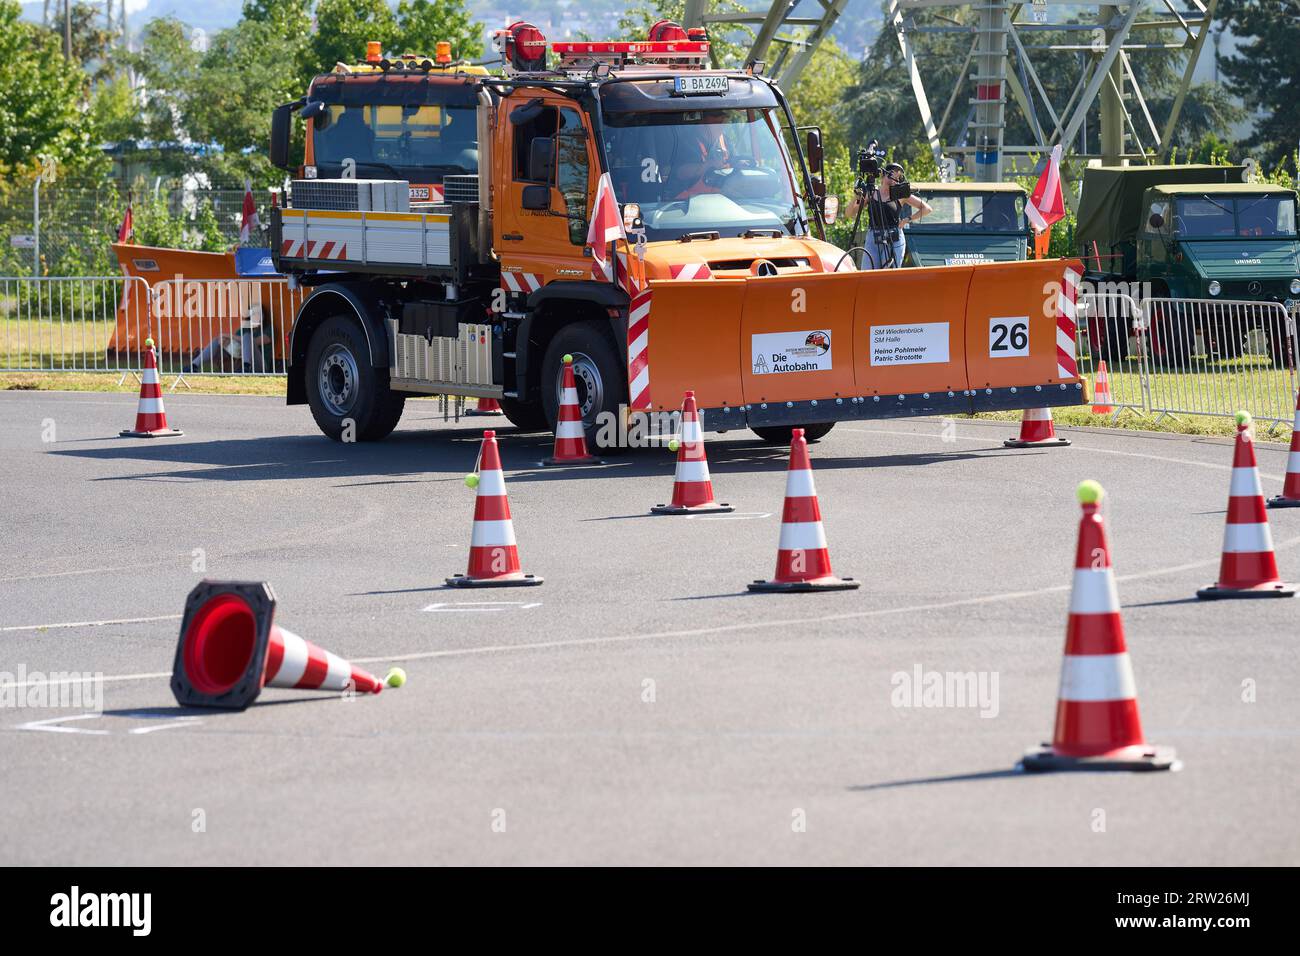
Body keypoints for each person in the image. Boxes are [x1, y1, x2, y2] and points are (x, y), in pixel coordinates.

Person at [848, 162, 932, 269]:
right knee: (868, 272)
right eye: (892, 176)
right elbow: (850, 213)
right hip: (873, 236)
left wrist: (907, 219)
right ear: (883, 175)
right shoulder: (872, 193)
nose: (893, 180)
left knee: (888, 272)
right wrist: (856, 196)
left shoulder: (900, 195)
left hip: (894, 237)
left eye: (897, 178)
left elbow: (927, 209)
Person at [667, 112, 732, 200]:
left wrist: (739, 164)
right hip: (690, 200)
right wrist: (708, 165)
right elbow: (680, 172)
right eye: (718, 122)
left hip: (723, 197)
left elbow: (732, 160)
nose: (722, 126)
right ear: (702, 123)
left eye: (723, 123)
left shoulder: (725, 140)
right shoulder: (686, 141)